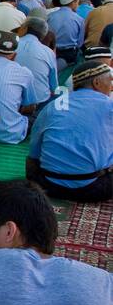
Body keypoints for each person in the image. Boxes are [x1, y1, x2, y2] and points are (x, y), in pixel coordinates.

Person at [26, 59, 113, 202]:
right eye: (110, 81)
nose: (111, 86)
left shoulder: (54, 105)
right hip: (93, 189)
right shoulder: (108, 104)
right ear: (96, 83)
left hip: (48, 185)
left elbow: (34, 152)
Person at [48, 0, 83, 67]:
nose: (78, 5)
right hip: (69, 55)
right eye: (77, 3)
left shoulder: (50, 16)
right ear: (73, 3)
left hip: (50, 52)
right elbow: (80, 42)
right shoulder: (78, 19)